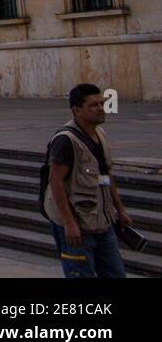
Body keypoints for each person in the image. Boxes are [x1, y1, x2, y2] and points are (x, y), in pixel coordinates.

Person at [43, 84, 131, 278]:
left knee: (116, 274)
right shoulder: (65, 140)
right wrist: (69, 223)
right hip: (77, 225)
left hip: (103, 222)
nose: (101, 108)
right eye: (93, 105)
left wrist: (120, 208)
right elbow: (55, 182)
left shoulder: (100, 134)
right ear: (77, 110)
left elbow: (106, 174)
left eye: (102, 103)